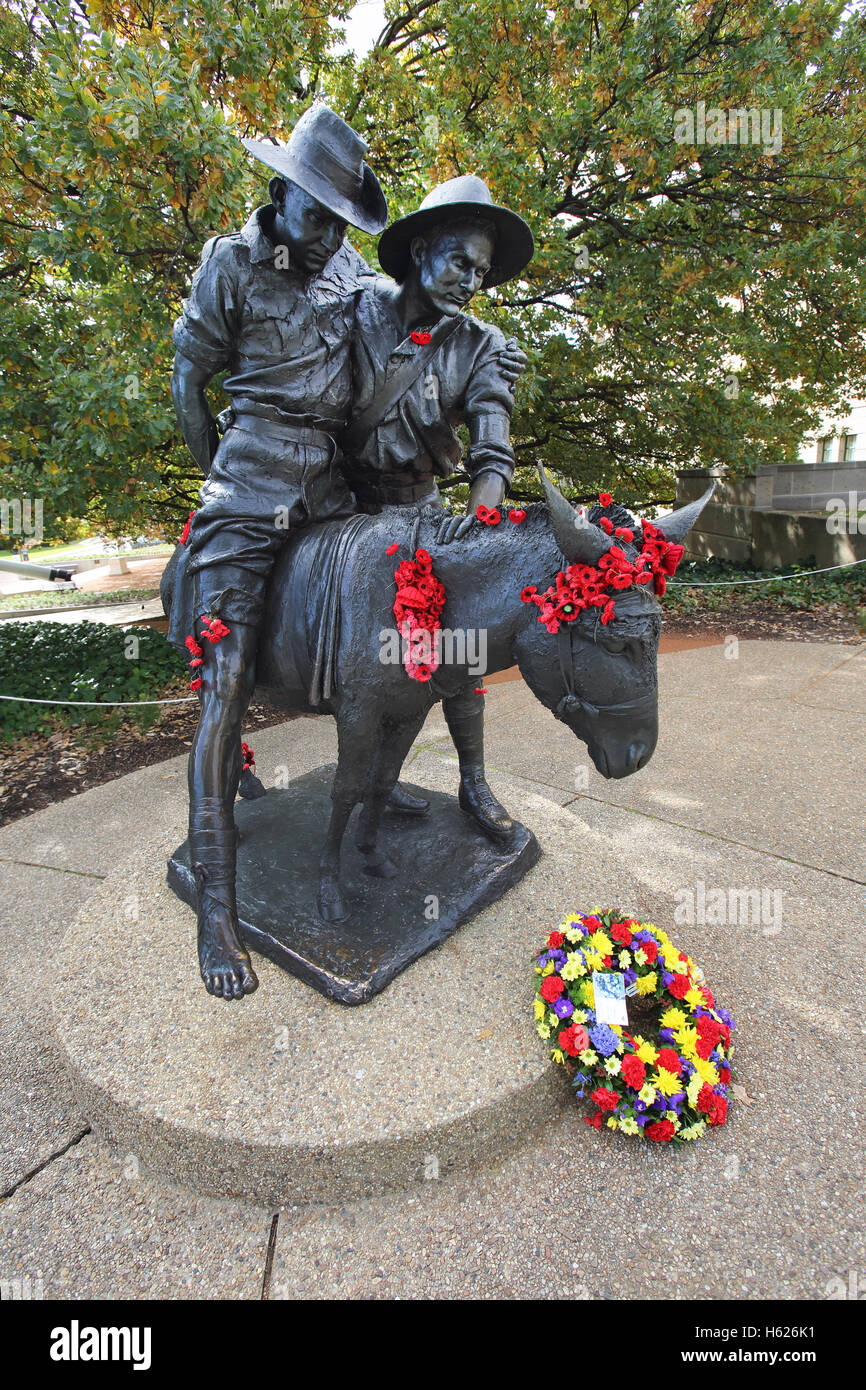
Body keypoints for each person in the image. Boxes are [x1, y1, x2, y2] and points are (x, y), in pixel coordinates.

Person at [169, 104, 388, 1001]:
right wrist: (221, 476)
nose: (329, 230)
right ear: (282, 192)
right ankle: (218, 907)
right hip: (250, 473)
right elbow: (189, 379)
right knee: (224, 682)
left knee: (405, 597)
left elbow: (407, 339)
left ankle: (383, 800)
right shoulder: (229, 261)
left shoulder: (352, 272)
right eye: (317, 211)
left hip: (334, 484)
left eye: (341, 218)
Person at [342, 175, 534, 840]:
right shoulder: (354, 307)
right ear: (422, 247)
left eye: (481, 272)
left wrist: (480, 533)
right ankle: (366, 783)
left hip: (419, 515)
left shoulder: (481, 345)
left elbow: (492, 452)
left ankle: (473, 782)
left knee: (458, 648)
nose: (471, 281)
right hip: (336, 512)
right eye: (460, 261)